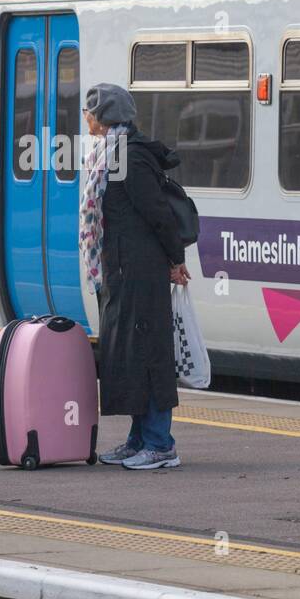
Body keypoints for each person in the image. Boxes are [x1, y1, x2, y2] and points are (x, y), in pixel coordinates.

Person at [79, 83, 190, 470]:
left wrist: (176, 260)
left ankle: (161, 445)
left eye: (89, 111)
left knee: (149, 355)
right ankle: (139, 438)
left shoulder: (129, 157)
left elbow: (157, 213)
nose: (85, 117)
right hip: (122, 270)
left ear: (103, 116)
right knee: (128, 354)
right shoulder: (108, 153)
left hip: (141, 271)